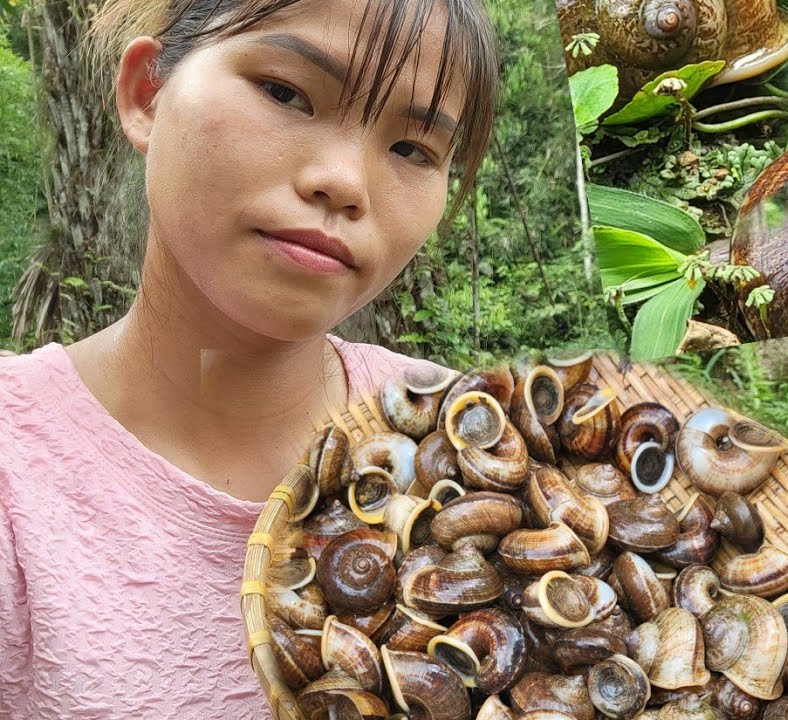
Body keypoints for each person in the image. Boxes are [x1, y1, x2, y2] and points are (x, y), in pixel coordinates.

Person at [0, 0, 498, 714]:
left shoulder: (465, 435)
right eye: (286, 93)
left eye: (412, 150)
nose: (345, 182)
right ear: (147, 93)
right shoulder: (16, 472)